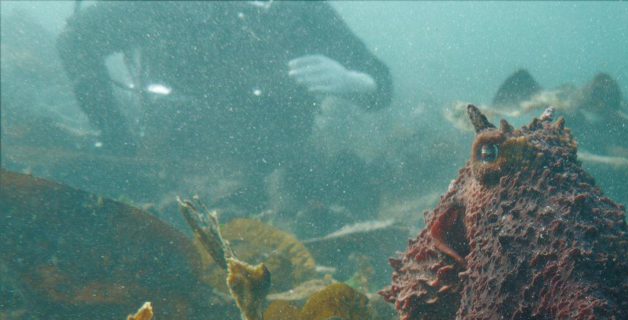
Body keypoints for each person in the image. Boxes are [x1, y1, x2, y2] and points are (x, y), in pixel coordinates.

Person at [57, 0, 392, 220]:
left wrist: (354, 82)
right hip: (171, 165)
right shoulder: (165, 6)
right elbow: (76, 39)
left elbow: (382, 84)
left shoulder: (303, 10)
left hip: (282, 168)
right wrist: (116, 135)